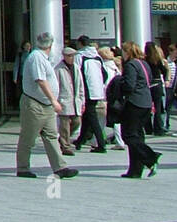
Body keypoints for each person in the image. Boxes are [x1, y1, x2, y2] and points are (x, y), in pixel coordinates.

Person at [15, 33, 78, 181]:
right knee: (28, 137)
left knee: (51, 136)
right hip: (35, 104)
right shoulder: (36, 57)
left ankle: (60, 167)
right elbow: (41, 80)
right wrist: (53, 100)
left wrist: (52, 101)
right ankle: (23, 168)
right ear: (51, 45)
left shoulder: (43, 58)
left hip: (46, 105)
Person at [118, 41, 161, 177]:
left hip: (134, 102)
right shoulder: (144, 63)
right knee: (137, 135)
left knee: (129, 135)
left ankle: (150, 157)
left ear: (128, 52)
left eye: (123, 51)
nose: (122, 54)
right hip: (146, 102)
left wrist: (120, 83)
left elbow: (129, 85)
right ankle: (135, 170)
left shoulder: (131, 65)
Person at [74, 37, 109, 153]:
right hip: (97, 90)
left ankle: (101, 143)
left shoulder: (79, 56)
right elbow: (105, 74)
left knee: (92, 118)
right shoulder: (97, 57)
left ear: (81, 44)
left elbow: (76, 74)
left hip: (86, 90)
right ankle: (80, 141)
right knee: (88, 117)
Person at [55, 47, 85, 157]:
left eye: (73, 56)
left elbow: (80, 85)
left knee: (77, 122)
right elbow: (56, 86)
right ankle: (65, 146)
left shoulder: (76, 68)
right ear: (65, 56)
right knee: (64, 125)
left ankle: (63, 139)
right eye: (70, 56)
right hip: (64, 100)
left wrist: (82, 101)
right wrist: (56, 101)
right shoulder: (58, 69)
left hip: (75, 100)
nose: (72, 58)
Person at [145, 42, 169, 136]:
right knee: (158, 107)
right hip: (157, 83)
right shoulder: (157, 59)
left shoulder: (145, 59)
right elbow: (164, 70)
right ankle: (158, 128)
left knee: (148, 107)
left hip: (149, 84)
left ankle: (148, 128)